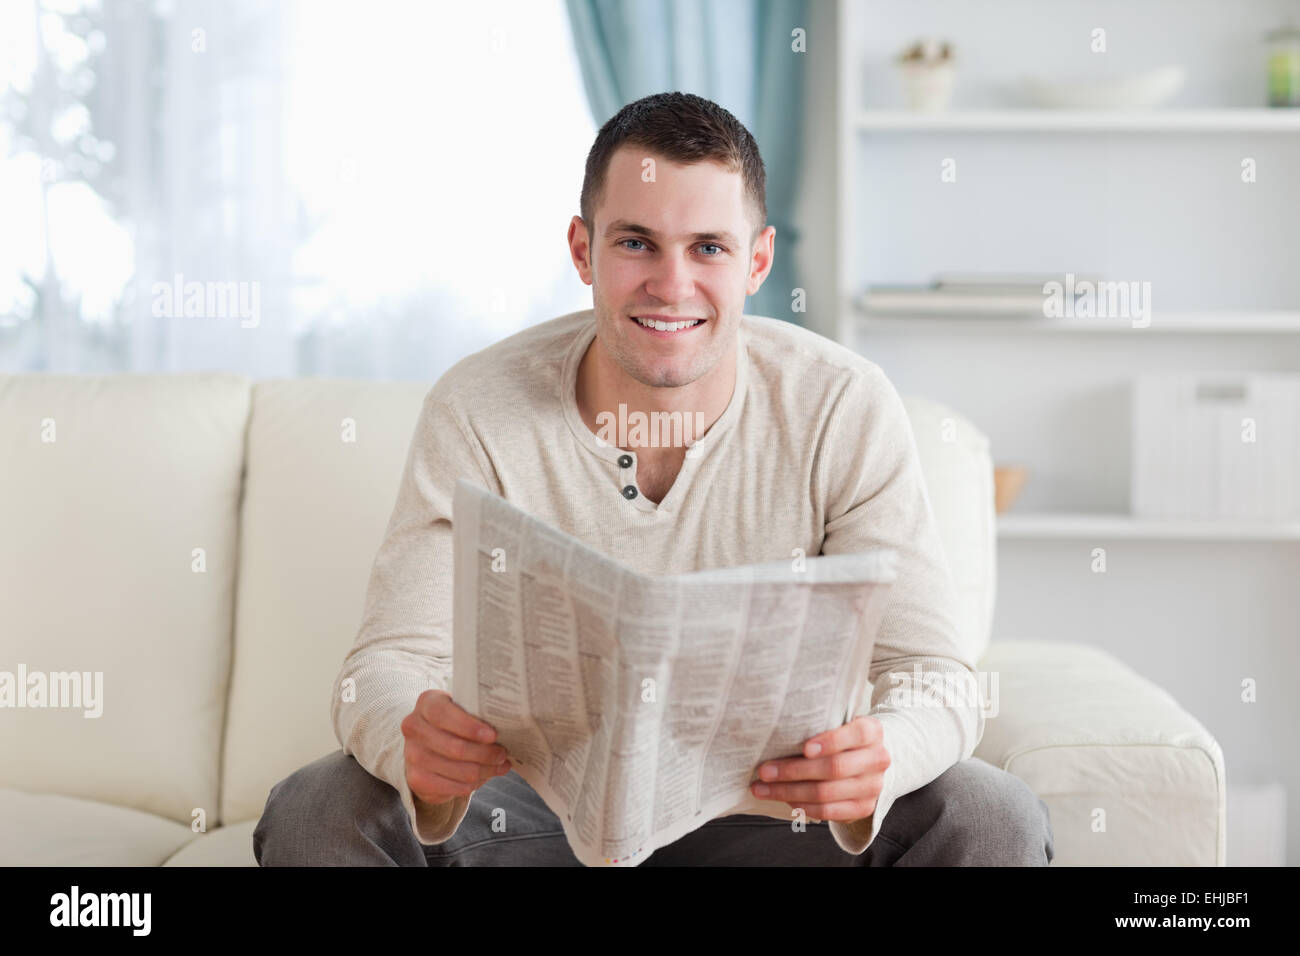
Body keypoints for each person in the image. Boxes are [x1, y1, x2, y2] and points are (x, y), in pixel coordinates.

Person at [254, 91, 1053, 866]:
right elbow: (383, 666)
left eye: (708, 246)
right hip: (536, 814)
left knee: (988, 813)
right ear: (582, 250)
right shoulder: (476, 408)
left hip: (776, 810)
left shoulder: (843, 406)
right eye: (636, 242)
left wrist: (879, 754)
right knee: (319, 809)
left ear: (757, 261)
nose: (671, 285)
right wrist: (411, 738)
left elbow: (935, 675)